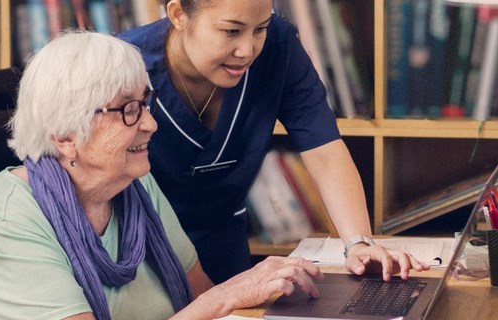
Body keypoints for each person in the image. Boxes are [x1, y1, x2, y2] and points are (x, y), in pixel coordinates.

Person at [0, 32, 322, 320]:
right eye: (128, 110)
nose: (150, 123)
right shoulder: (8, 223)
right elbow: (212, 302)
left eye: (145, 103)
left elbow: (200, 295)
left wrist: (244, 294)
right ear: (65, 136)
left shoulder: (134, 183)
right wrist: (228, 295)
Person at [118, 0, 429, 283]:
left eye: (260, 29)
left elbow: (324, 150)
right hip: (139, 251)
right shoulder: (125, 64)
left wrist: (358, 243)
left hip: (224, 245)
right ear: (178, 15)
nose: (247, 50)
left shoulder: (279, 49)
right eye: (231, 31)